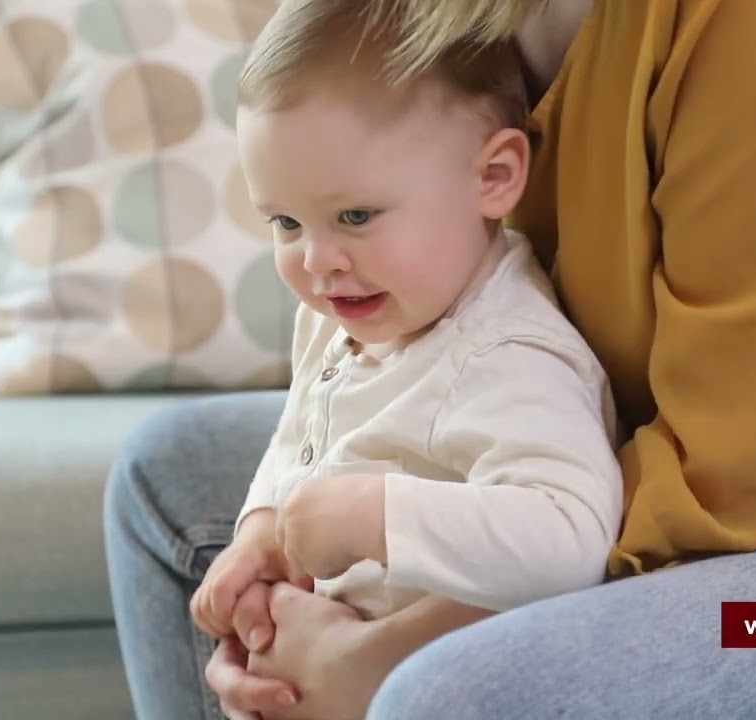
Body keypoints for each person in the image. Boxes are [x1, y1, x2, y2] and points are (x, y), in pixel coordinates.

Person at [104, 0, 756, 718]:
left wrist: (390, 648)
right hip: (636, 444)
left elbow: (742, 479)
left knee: (460, 694)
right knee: (172, 479)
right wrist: (277, 533)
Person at [189, 0, 622, 654]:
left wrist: (372, 517)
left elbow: (570, 540)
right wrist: (263, 530)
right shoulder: (347, 308)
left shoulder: (507, 354)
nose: (317, 262)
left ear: (495, 177)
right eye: (285, 223)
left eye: (356, 216)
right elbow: (297, 436)